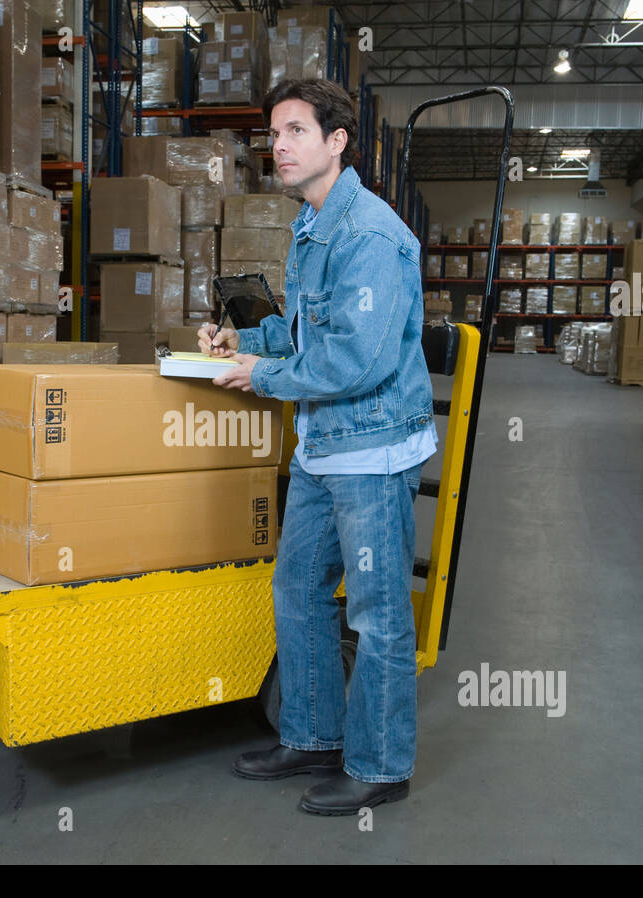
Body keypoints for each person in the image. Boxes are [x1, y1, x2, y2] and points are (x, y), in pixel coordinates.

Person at [199, 78, 436, 816]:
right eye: (274, 134)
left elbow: (353, 361)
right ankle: (311, 733)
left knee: (375, 613)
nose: (280, 146)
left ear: (336, 141)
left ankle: (379, 763)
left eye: (296, 131)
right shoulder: (311, 225)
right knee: (298, 590)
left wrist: (260, 375)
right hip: (321, 449)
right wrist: (246, 340)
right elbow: (307, 335)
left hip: (370, 453)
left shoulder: (369, 234)